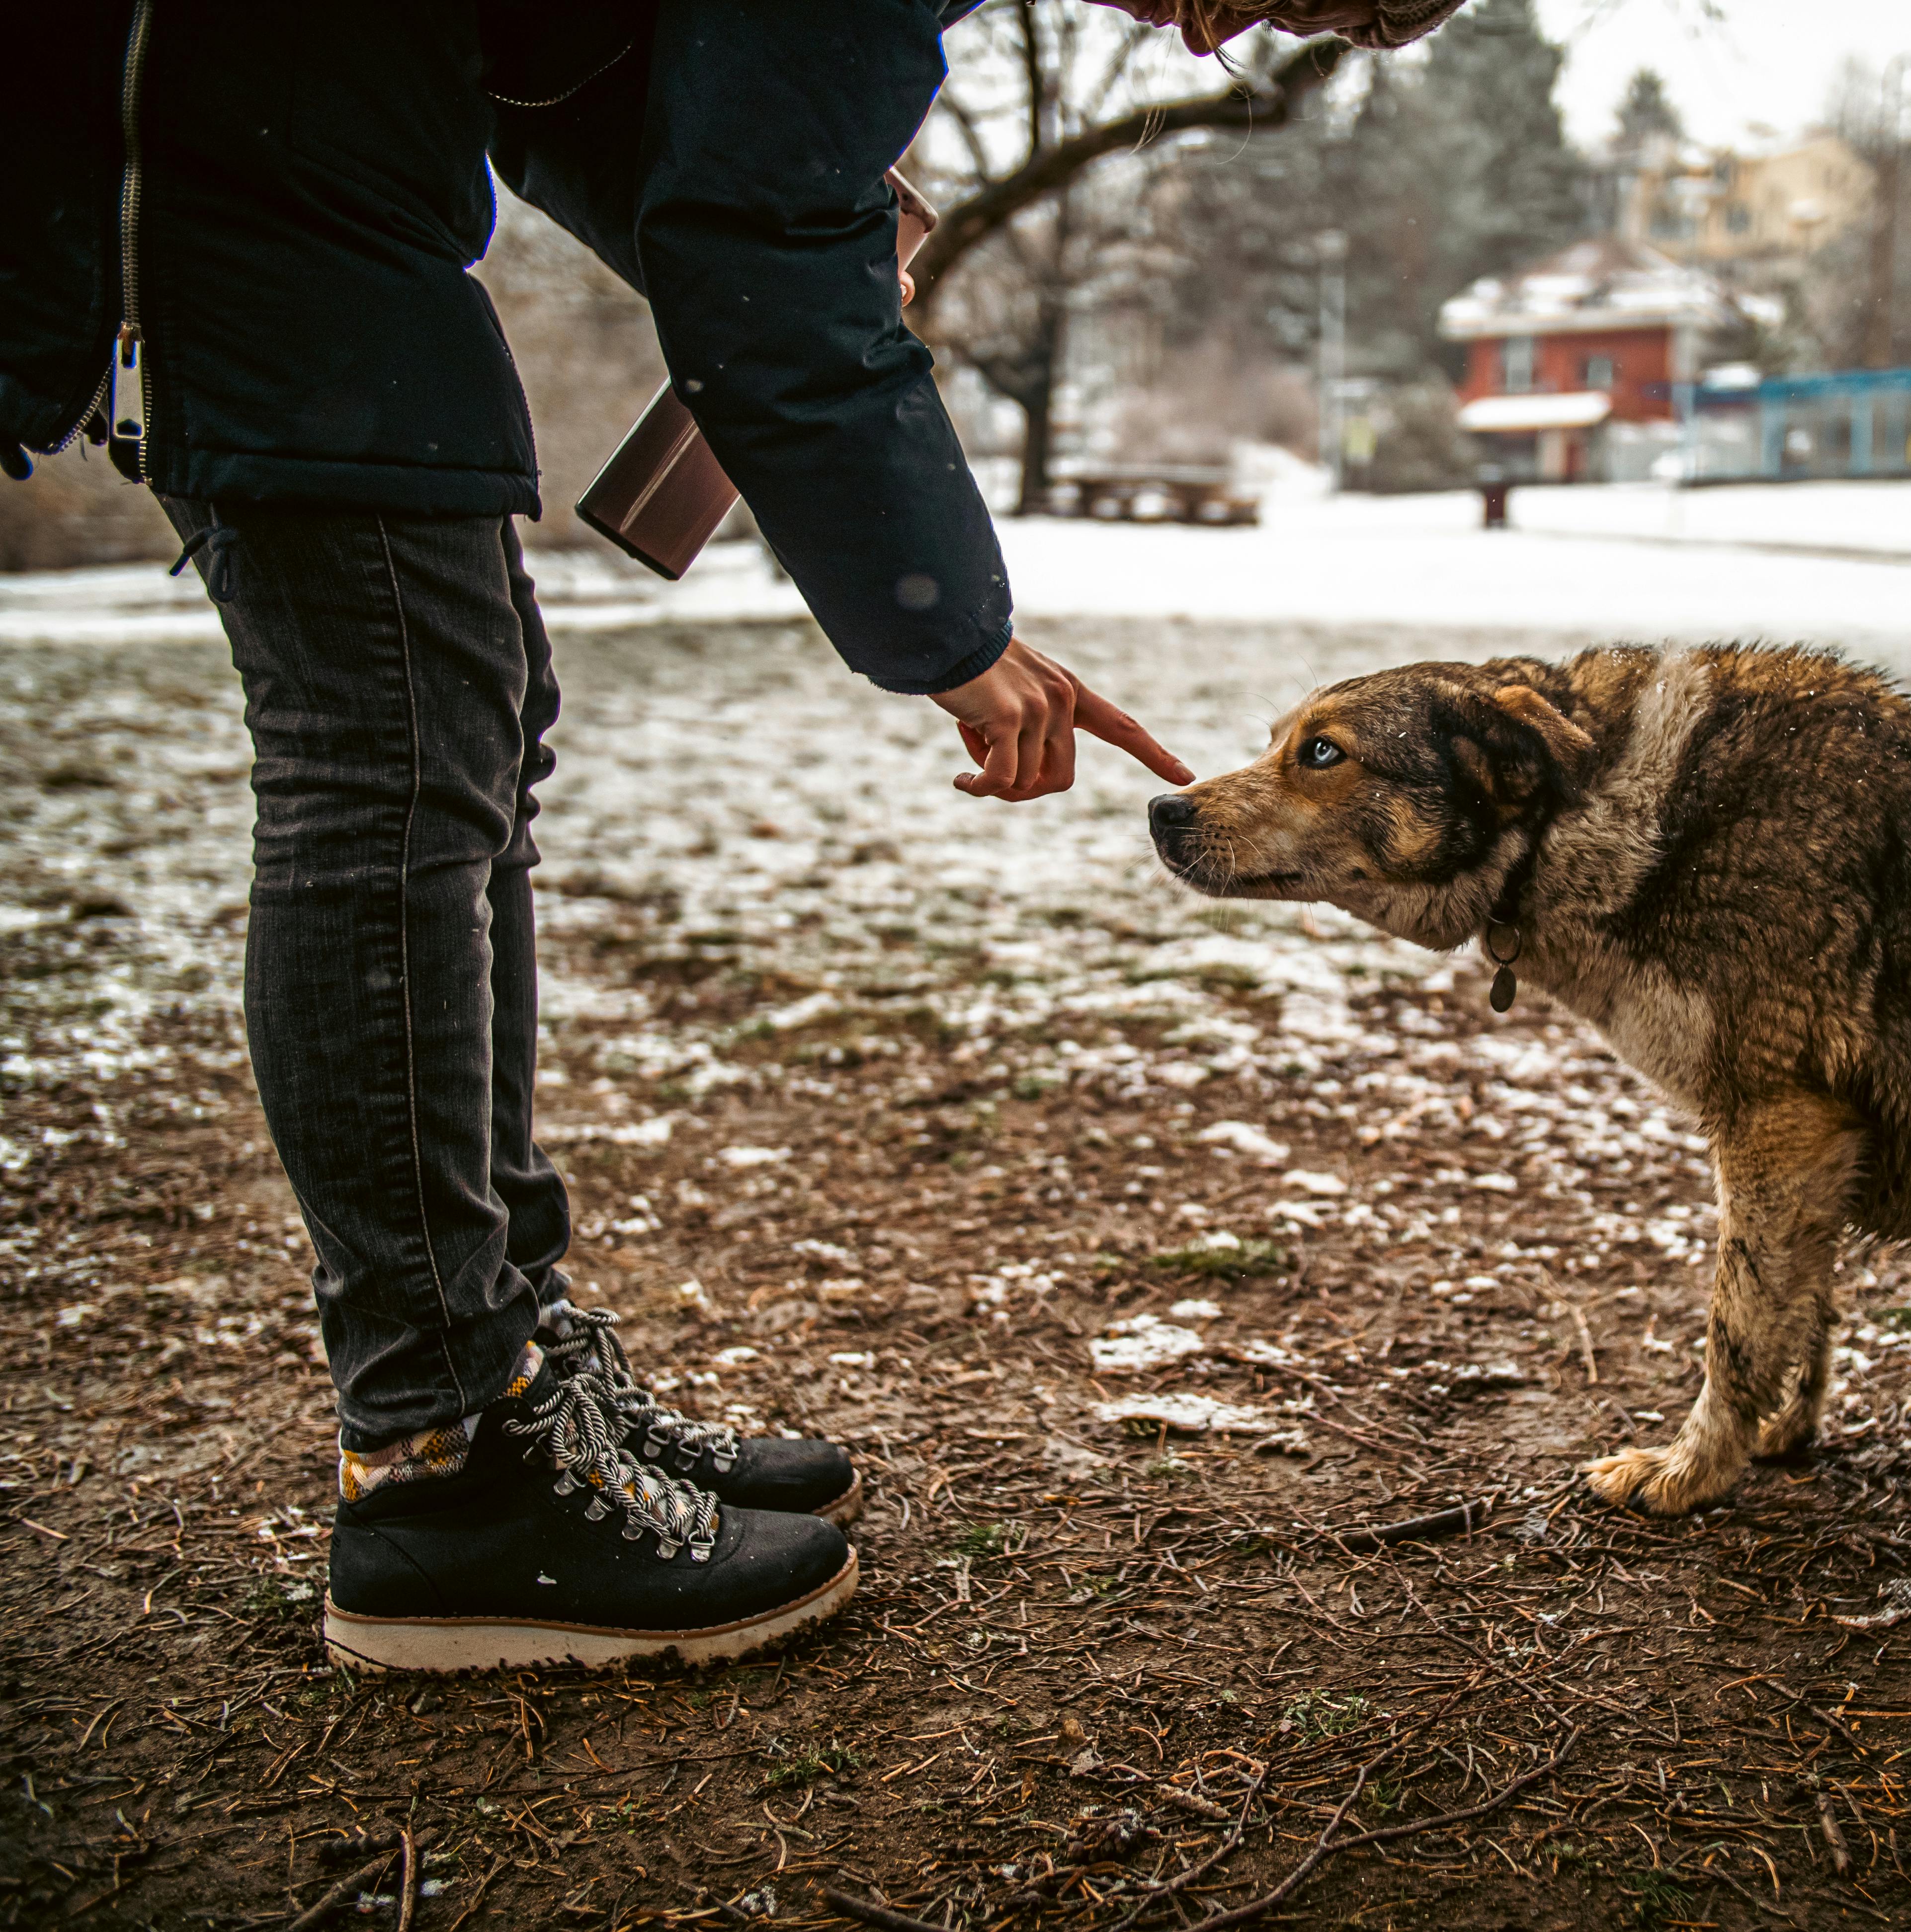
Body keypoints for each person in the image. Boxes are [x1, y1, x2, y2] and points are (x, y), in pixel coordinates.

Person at [0, 0, 1463, 1674]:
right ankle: (441, 1458)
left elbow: (553, 84)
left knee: (463, 730)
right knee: (389, 761)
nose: (1229, 44)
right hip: (234, 122)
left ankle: (506, 1363)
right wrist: (950, 633)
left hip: (305, 120)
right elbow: (744, 234)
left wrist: (815, 218)